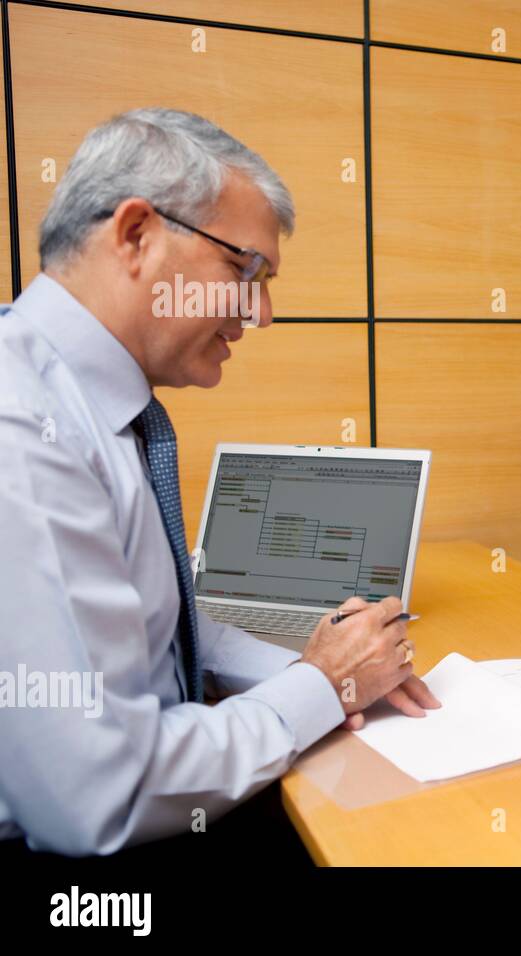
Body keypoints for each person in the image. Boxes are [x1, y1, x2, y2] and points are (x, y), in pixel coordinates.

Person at [0, 108, 437, 858]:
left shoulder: (86, 402)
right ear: (137, 234)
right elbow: (100, 797)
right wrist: (319, 688)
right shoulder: (21, 428)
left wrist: (332, 662)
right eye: (246, 271)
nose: (261, 313)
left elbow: (156, 624)